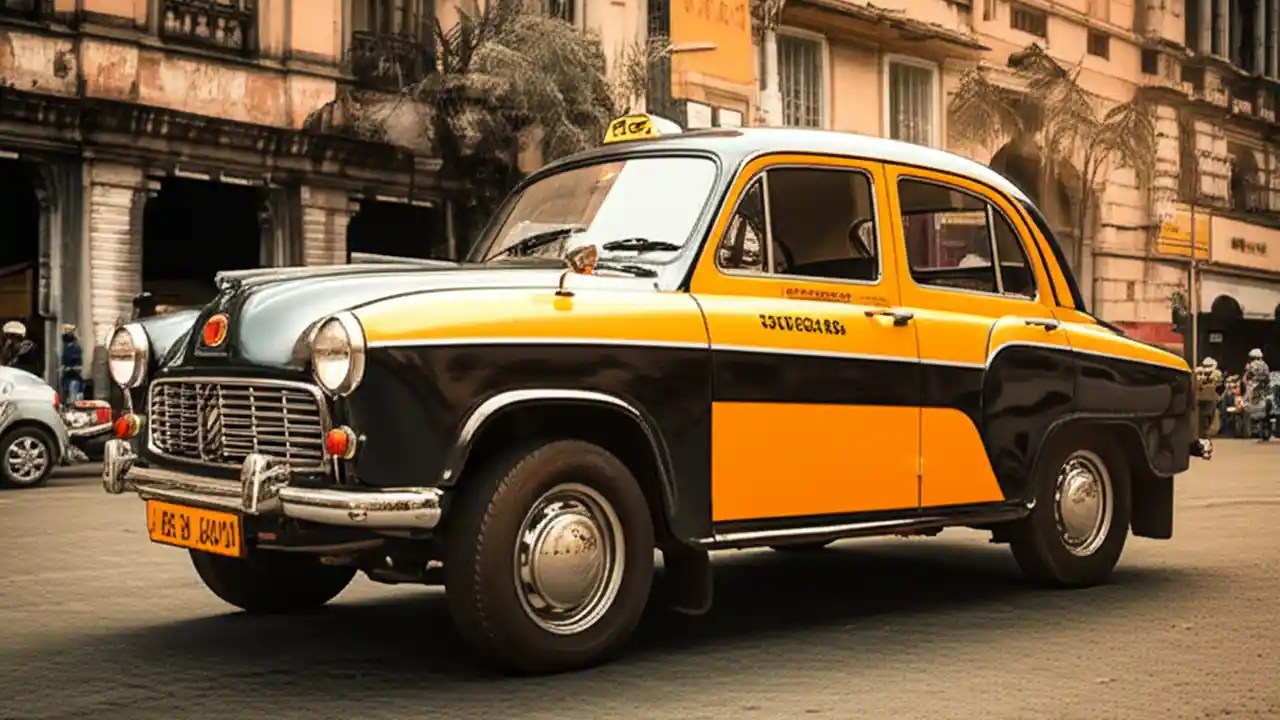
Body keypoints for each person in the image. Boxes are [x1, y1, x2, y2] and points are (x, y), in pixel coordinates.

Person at [1243, 348, 1271, 441]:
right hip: (1263, 390)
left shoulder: (1250, 366)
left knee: (1249, 407)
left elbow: (1246, 378)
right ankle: (1263, 428)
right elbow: (1268, 378)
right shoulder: (1265, 365)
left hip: (1252, 388)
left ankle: (1253, 429)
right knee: (1264, 407)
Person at [1195, 357, 1225, 437]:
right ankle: (1203, 431)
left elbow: (1220, 385)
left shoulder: (1216, 374)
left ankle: (1206, 431)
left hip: (1211, 397)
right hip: (1202, 397)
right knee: (1203, 415)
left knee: (1209, 415)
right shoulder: (1199, 372)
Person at [59, 323, 84, 404]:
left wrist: (68, 368)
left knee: (73, 400)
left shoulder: (74, 346)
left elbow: (78, 365)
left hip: (73, 378)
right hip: (67, 377)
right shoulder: (67, 345)